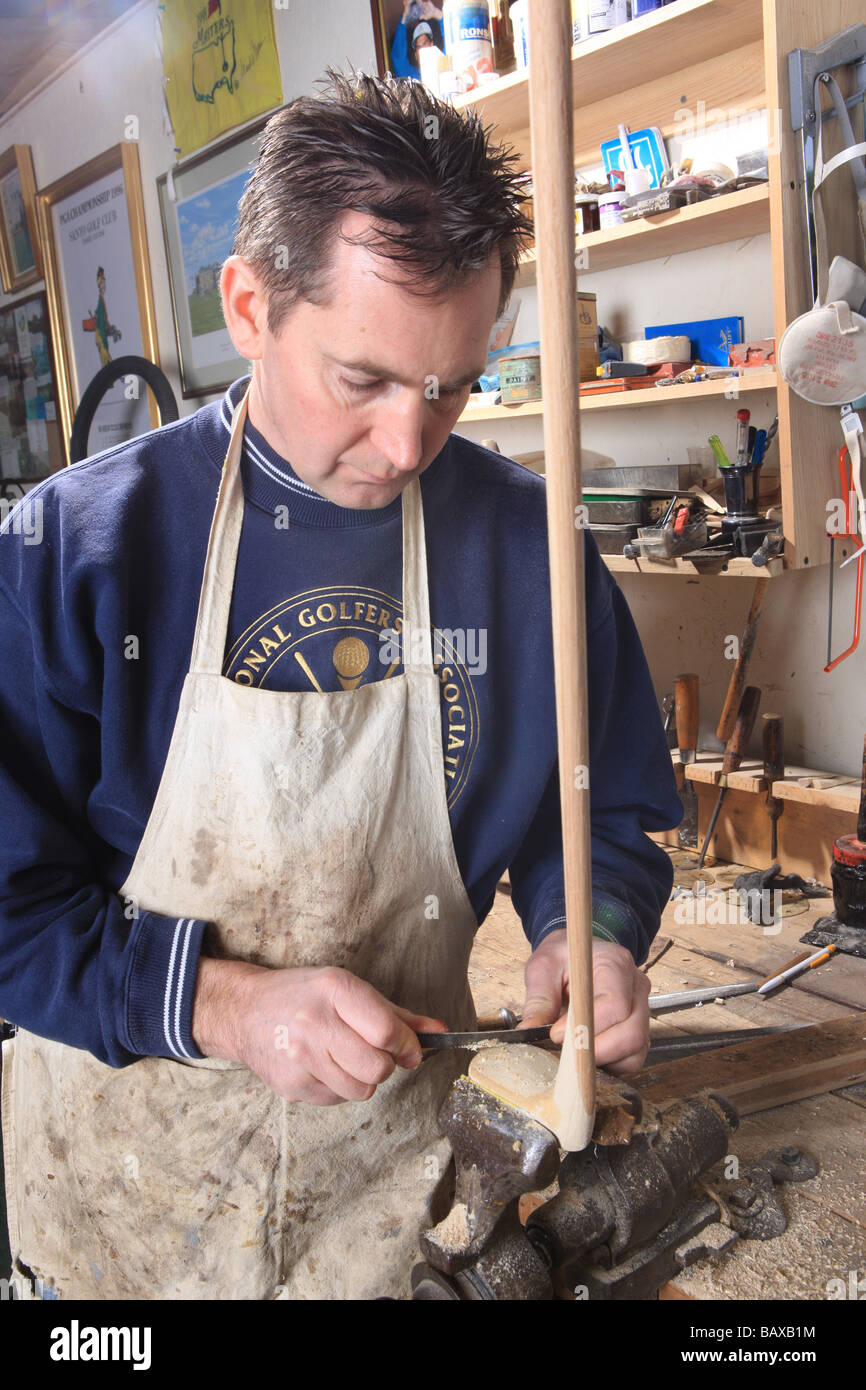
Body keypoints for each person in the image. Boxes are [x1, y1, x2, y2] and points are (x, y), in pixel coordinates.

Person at [0, 70, 681, 1301]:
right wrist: (224, 1005)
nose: (409, 444)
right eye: (361, 379)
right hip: (130, 1205)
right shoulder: (80, 550)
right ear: (250, 305)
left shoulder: (530, 550)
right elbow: (7, 906)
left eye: (452, 385)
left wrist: (595, 936)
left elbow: (606, 811)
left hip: (398, 1196)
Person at [390, 1, 444, 77]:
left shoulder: (445, 67)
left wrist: (436, 13)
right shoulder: (411, 77)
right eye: (418, 46)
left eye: (425, 43)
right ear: (416, 55)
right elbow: (398, 58)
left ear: (432, 45)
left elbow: (452, 42)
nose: (422, 49)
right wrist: (404, 20)